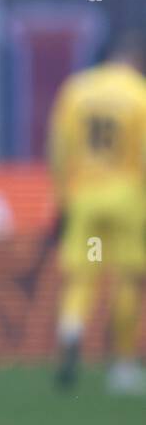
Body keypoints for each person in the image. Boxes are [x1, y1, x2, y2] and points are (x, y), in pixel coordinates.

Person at [49, 25, 146, 394]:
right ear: (134, 60)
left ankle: (72, 328)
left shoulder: (77, 90)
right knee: (128, 277)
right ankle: (122, 366)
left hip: (85, 193)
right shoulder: (139, 94)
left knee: (82, 276)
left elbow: (59, 147)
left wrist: (62, 197)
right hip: (126, 194)